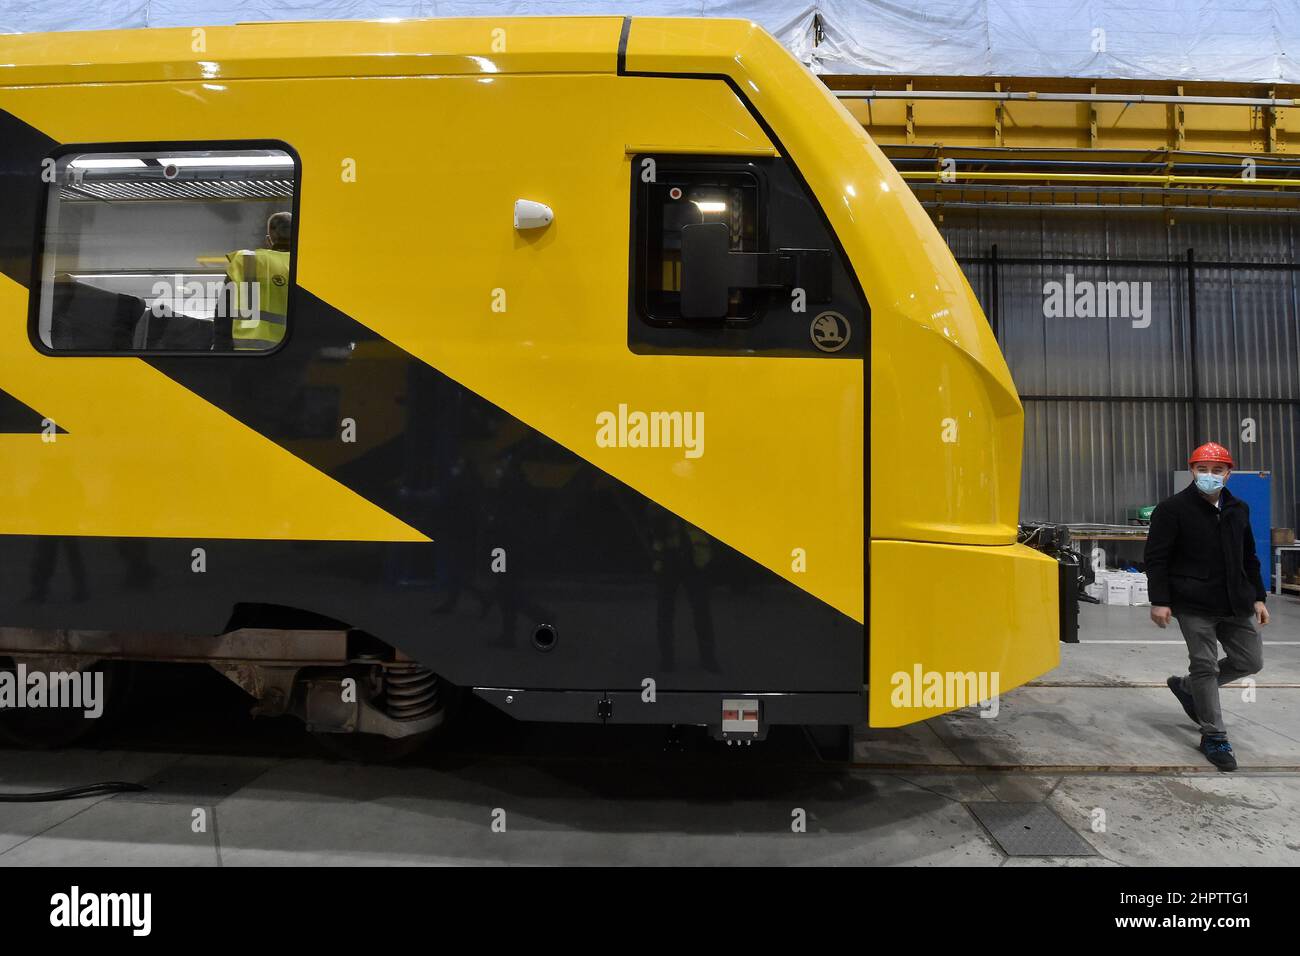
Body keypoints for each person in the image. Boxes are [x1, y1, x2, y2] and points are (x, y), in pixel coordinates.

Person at [1144, 442, 1268, 771]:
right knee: (1205, 667)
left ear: (1228, 473)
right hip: (1193, 602)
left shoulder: (1238, 508)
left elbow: (1249, 556)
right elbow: (1156, 558)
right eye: (1202, 469)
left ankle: (1188, 690)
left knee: (1250, 661)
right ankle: (1213, 735)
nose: (1209, 475)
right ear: (1192, 470)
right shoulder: (1172, 509)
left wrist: (1258, 596)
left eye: (1217, 470)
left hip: (1235, 601)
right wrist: (1160, 600)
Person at [223, 212, 292, 350]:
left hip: (247, 356)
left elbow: (224, 313)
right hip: (291, 356)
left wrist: (221, 352)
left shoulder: (247, 261)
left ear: (268, 240)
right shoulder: (306, 267)